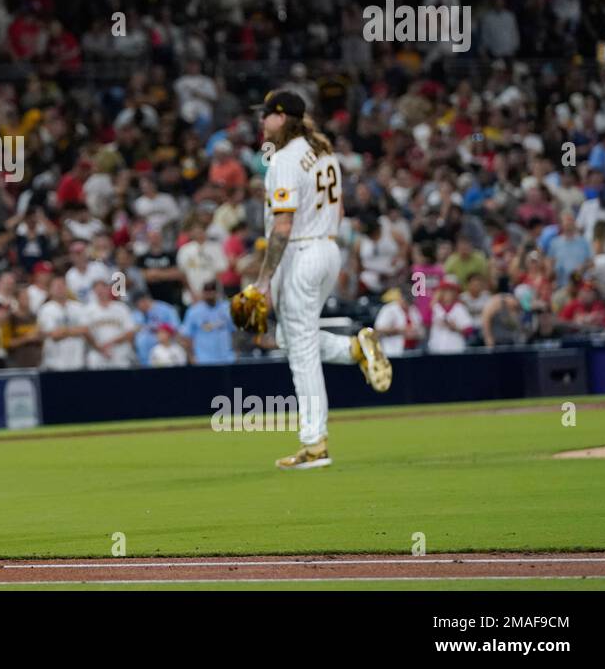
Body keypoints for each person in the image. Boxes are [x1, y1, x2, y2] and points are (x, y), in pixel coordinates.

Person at [248, 91, 391, 470]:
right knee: (294, 338)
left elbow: (282, 225)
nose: (262, 122)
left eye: (267, 116)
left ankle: (314, 444)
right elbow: (340, 209)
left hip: (301, 252)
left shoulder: (283, 159)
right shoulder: (325, 153)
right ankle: (355, 350)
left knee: (302, 354)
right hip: (327, 248)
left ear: (283, 118)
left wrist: (263, 279)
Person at [36, 276, 91, 372]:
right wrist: (75, 330)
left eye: (62, 285)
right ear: (50, 290)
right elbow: (55, 335)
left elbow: (85, 329)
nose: (60, 289)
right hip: (54, 364)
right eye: (56, 286)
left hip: (77, 362)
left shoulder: (78, 307)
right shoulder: (45, 309)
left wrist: (64, 331)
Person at [178, 279, 236, 365]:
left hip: (226, 358)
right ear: (203, 293)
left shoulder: (227, 308)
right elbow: (186, 337)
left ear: (218, 292)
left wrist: (236, 352)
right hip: (203, 360)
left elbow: (235, 332)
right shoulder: (194, 311)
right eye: (207, 291)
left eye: (212, 291)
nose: (209, 294)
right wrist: (191, 357)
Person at [373, 288, 425, 355]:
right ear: (401, 298)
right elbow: (378, 330)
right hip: (393, 351)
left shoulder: (413, 310)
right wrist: (400, 330)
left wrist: (415, 334)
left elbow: (422, 331)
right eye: (406, 301)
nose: (408, 305)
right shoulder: (389, 309)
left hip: (413, 350)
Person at [428, 280, 474, 353]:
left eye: (450, 291)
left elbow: (469, 329)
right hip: (436, 347)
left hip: (455, 347)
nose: (448, 293)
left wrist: (455, 328)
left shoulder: (459, 307)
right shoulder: (435, 307)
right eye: (445, 290)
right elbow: (425, 320)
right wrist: (434, 299)